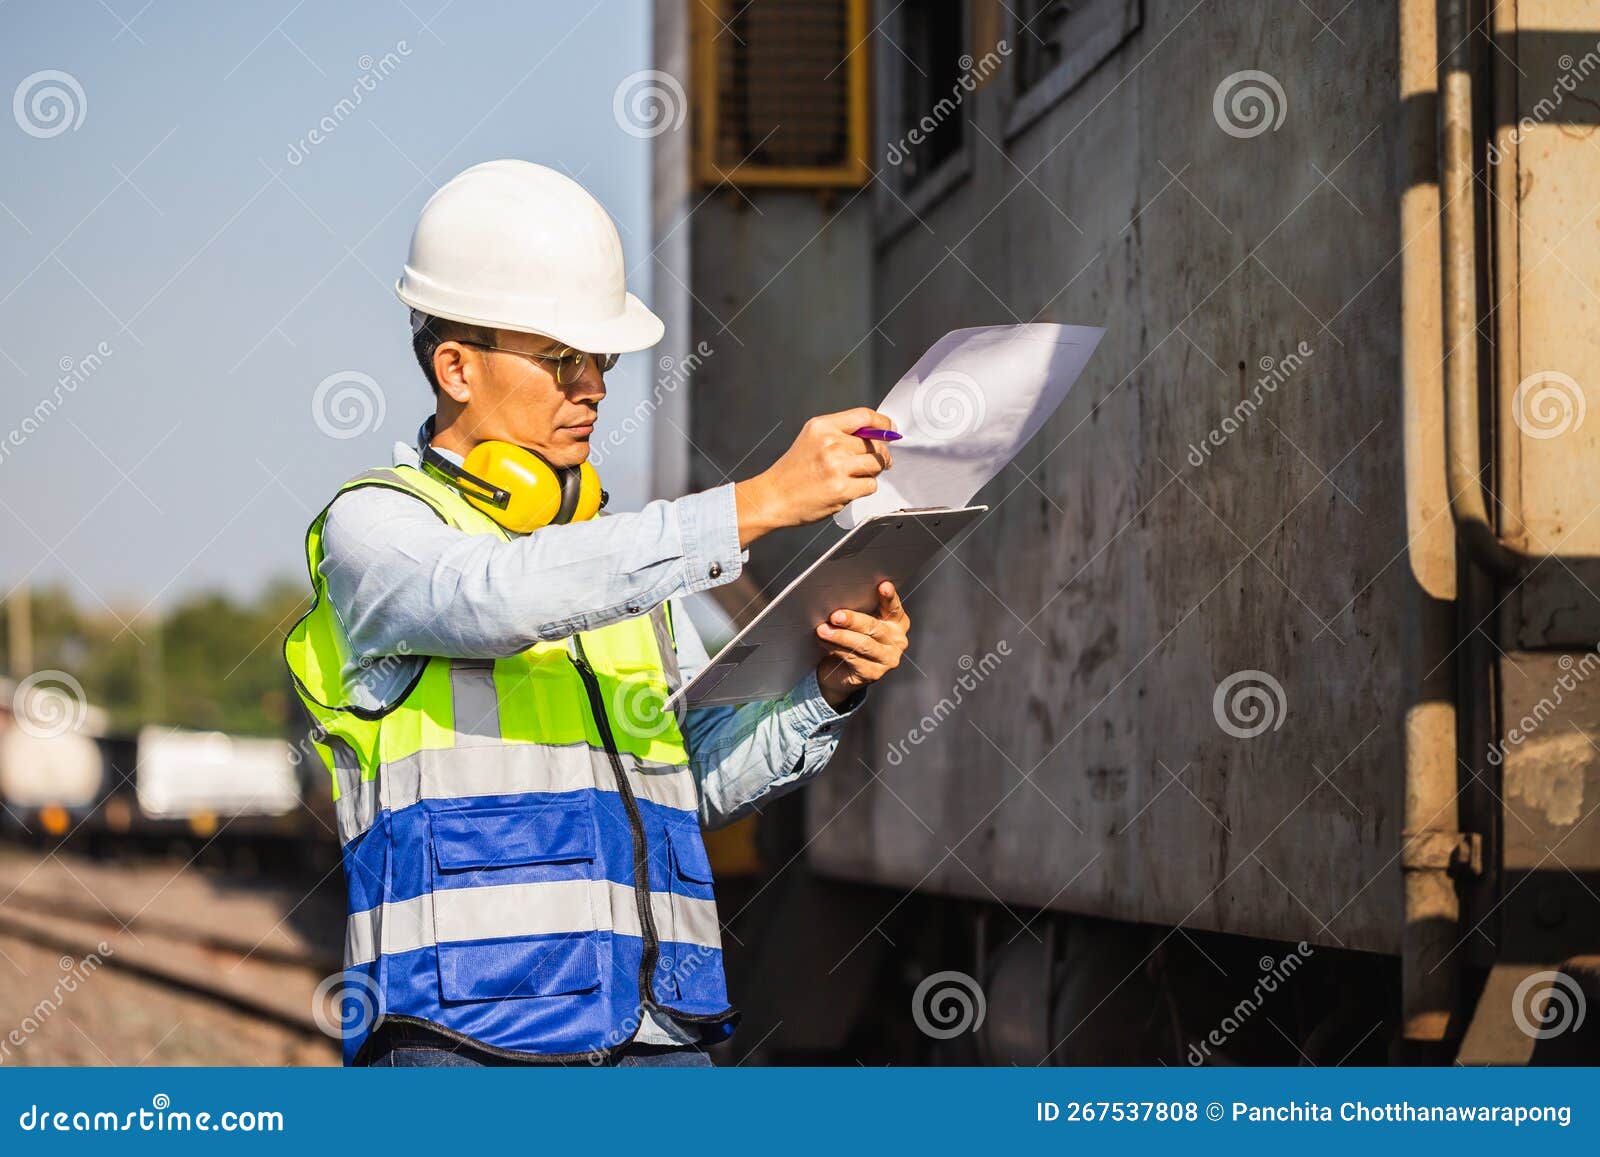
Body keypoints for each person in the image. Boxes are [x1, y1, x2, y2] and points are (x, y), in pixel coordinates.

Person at [284, 160, 912, 1067]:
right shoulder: (378, 528)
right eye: (562, 360)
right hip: (465, 1048)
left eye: (602, 361)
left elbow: (680, 791)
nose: (595, 388)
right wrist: (755, 504)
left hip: (662, 1041)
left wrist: (822, 692)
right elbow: (490, 595)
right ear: (455, 366)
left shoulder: (614, 562)